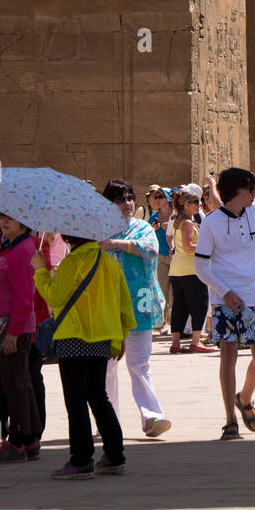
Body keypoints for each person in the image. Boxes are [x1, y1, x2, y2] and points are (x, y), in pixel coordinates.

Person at [32, 231, 135, 478]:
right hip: (103, 337)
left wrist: (40, 270)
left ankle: (81, 459)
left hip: (74, 337)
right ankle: (114, 454)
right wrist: (120, 335)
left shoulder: (73, 261)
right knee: (99, 397)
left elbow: (54, 296)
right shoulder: (109, 261)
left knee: (76, 401)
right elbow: (124, 303)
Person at [193, 166, 255, 438]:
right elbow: (200, 266)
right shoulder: (210, 223)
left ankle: (245, 398)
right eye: (250, 189)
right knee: (227, 356)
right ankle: (230, 420)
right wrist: (224, 291)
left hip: (254, 297)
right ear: (235, 191)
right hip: (224, 300)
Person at [100, 180, 171, 439]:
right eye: (120, 199)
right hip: (107, 307)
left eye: (130, 198)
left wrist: (118, 245)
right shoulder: (97, 232)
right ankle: (109, 420)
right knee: (108, 366)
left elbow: (152, 249)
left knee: (139, 364)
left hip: (139, 305)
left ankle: (151, 416)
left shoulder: (142, 227)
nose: (127, 204)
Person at [0, 212, 42, 464]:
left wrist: (13, 333)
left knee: (14, 385)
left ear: (24, 223)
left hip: (12, 328)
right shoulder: (14, 247)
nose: (4, 222)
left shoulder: (20, 251)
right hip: (7, 327)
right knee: (19, 383)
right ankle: (29, 439)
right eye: (2, 218)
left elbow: (24, 297)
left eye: (11, 218)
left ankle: (17, 441)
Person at [168, 187, 213, 354]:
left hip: (177, 269)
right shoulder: (187, 222)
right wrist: (206, 246)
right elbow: (188, 247)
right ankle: (195, 341)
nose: (199, 205)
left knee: (179, 306)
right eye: (195, 202)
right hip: (190, 269)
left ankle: (176, 343)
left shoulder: (177, 219)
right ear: (186, 204)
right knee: (199, 304)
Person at [147, 187, 173, 329]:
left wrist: (169, 227)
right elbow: (148, 236)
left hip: (174, 257)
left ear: (168, 198)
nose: (157, 200)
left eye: (160, 197)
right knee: (161, 290)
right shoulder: (153, 217)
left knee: (175, 293)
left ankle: (174, 322)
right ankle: (161, 322)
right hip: (160, 257)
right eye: (156, 197)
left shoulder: (176, 215)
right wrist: (153, 229)